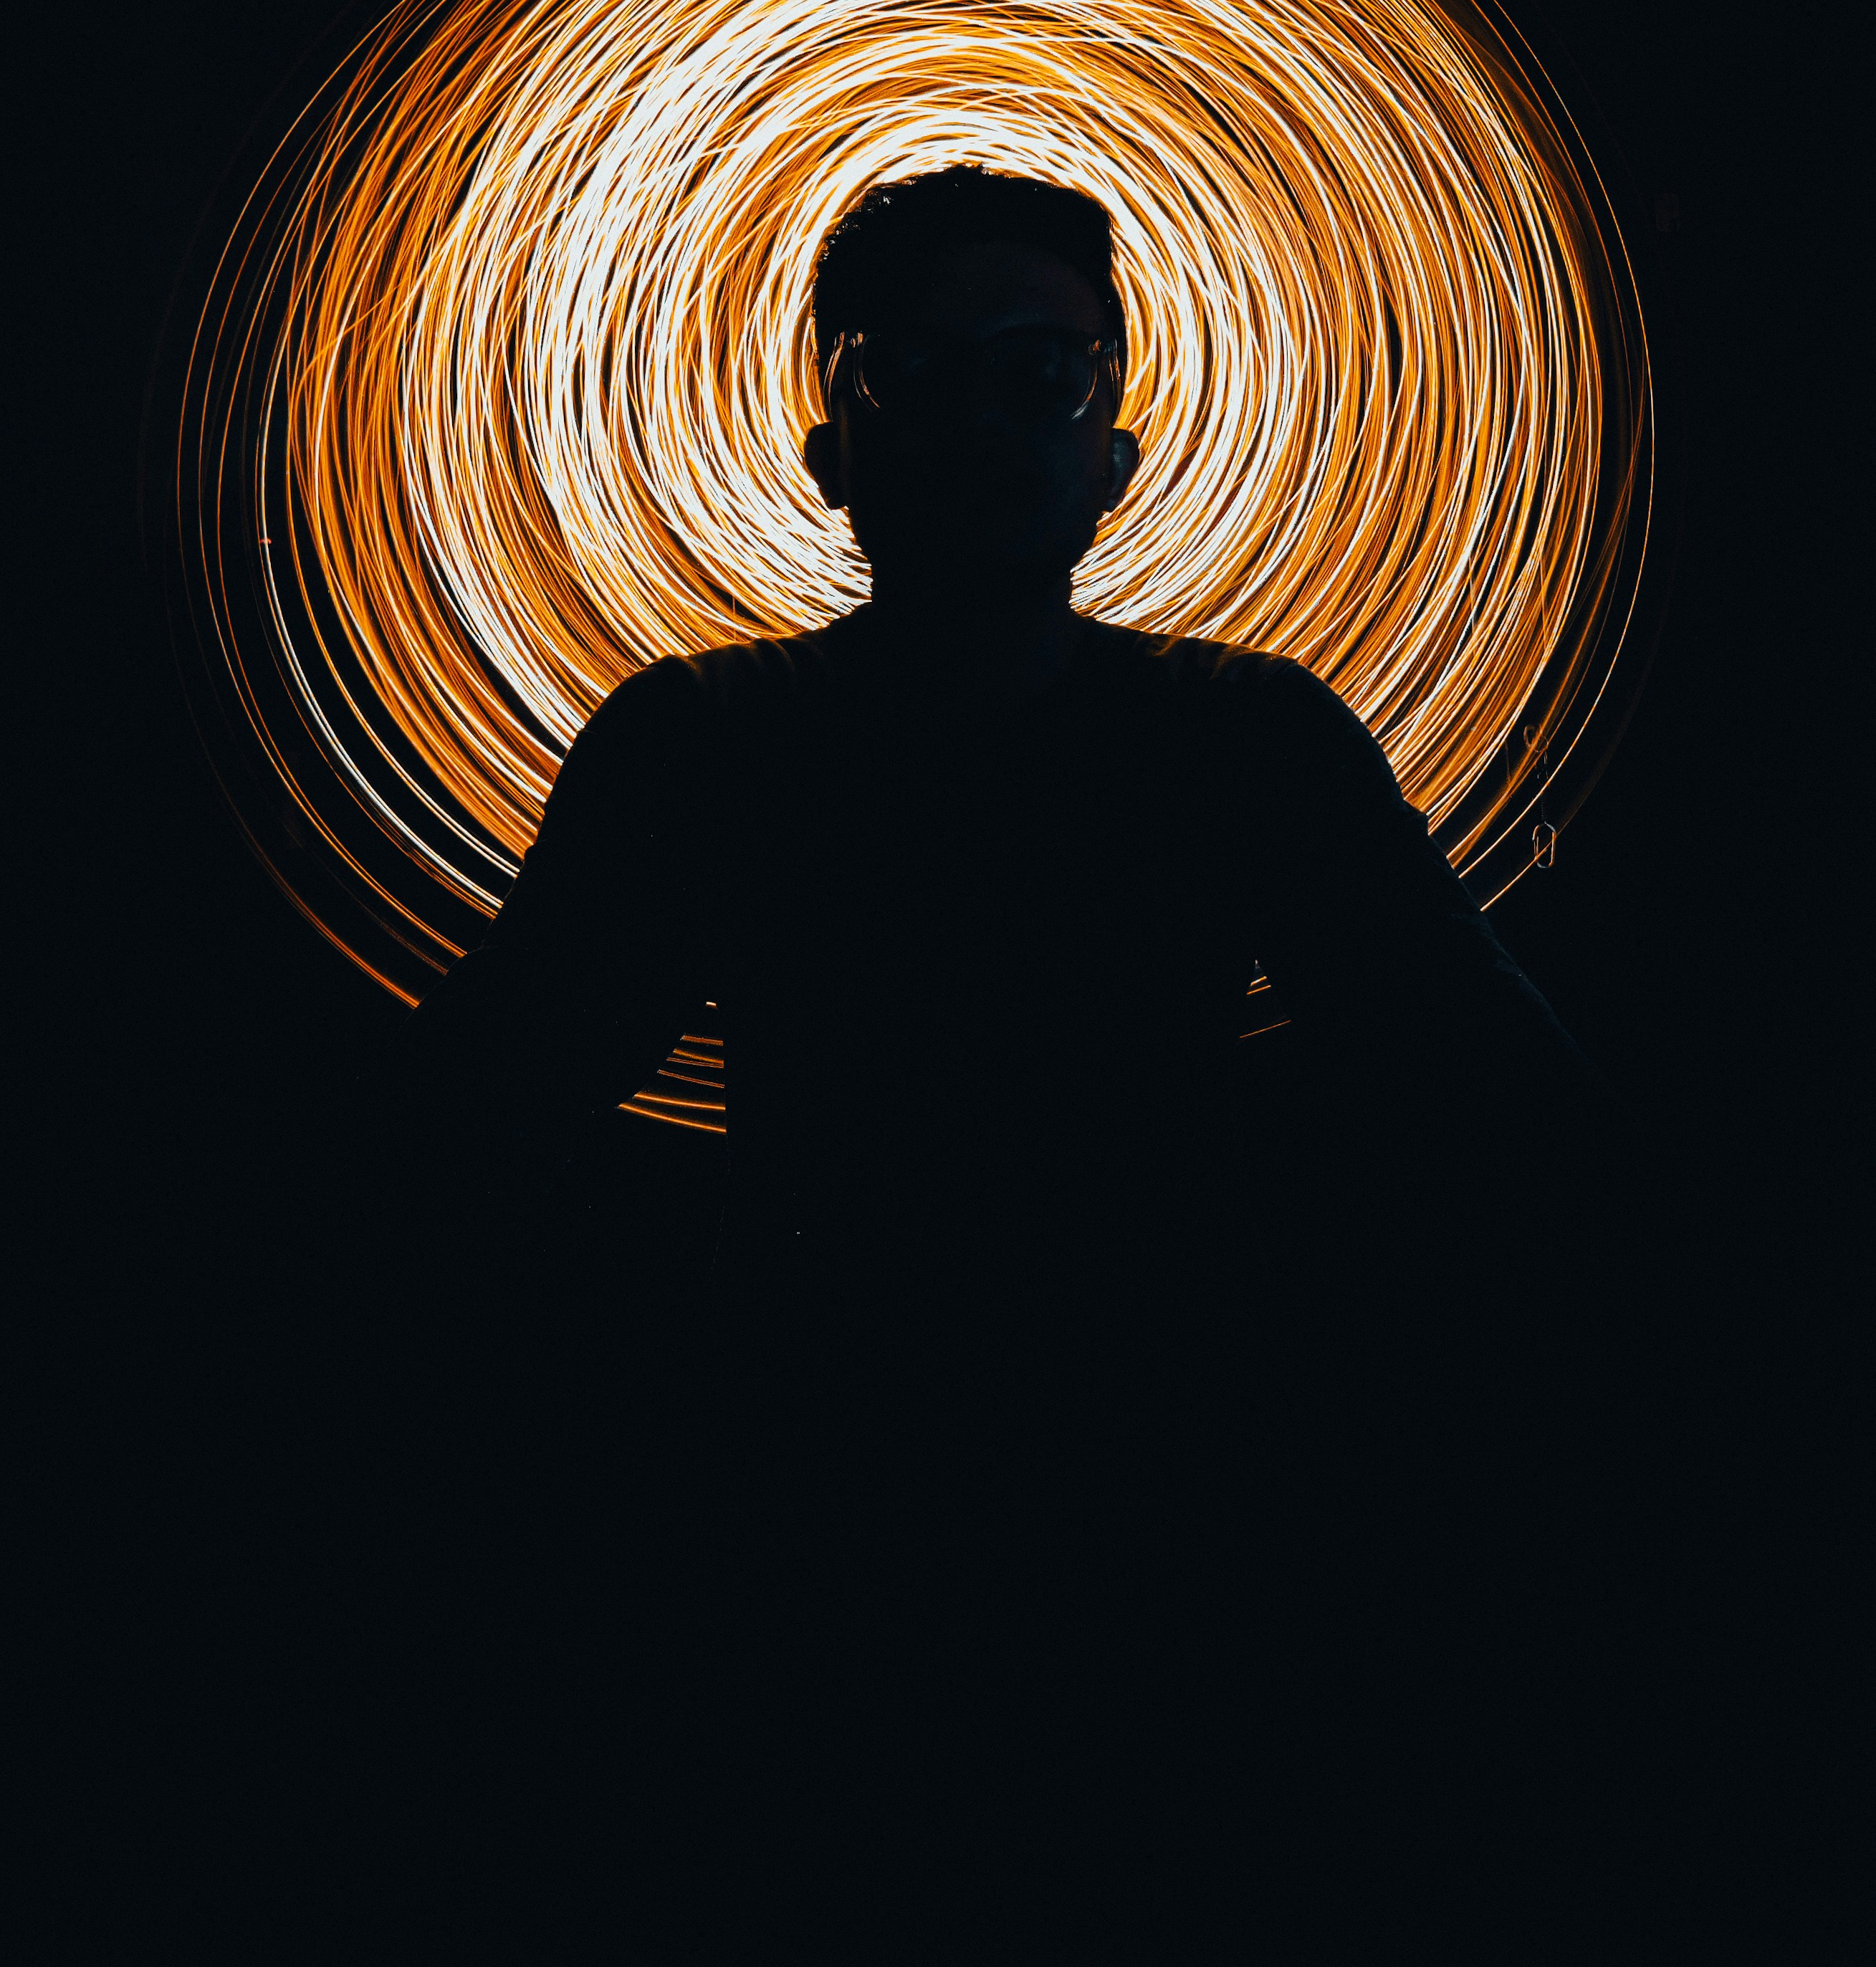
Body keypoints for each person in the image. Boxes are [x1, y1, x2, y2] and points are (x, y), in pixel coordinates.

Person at [408, 163, 1603, 1676]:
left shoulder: (1237, 741)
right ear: (831, 451)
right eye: (911, 369)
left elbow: (1505, 1115)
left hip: (1150, 1526)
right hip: (827, 1527)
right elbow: (470, 1125)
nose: (978, 416)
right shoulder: (714, 748)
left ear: (1114, 454)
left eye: (1035, 369)